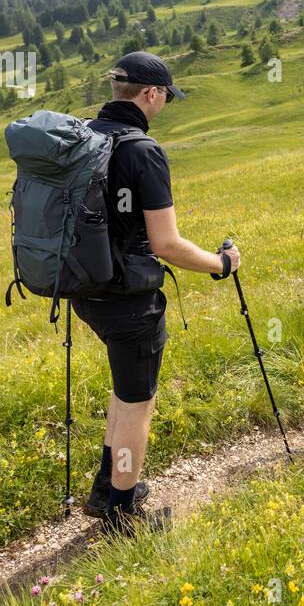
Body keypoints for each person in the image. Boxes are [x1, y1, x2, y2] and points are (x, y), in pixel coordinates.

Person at [77, 51, 241, 535]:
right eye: (166, 95)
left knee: (123, 390)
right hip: (129, 298)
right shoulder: (142, 150)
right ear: (151, 94)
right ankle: (121, 515)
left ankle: (107, 489)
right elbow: (167, 244)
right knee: (136, 403)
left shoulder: (87, 137)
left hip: (85, 289)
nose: (165, 103)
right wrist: (221, 264)